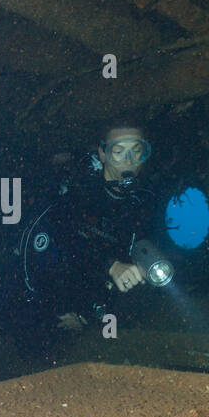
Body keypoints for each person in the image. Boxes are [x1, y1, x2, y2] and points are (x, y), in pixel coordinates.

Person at [15, 125, 160, 337]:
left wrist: (88, 316)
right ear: (103, 153)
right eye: (118, 152)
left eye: (137, 151)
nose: (128, 160)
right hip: (40, 292)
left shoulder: (144, 201)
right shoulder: (77, 191)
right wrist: (111, 265)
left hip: (89, 303)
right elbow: (60, 239)